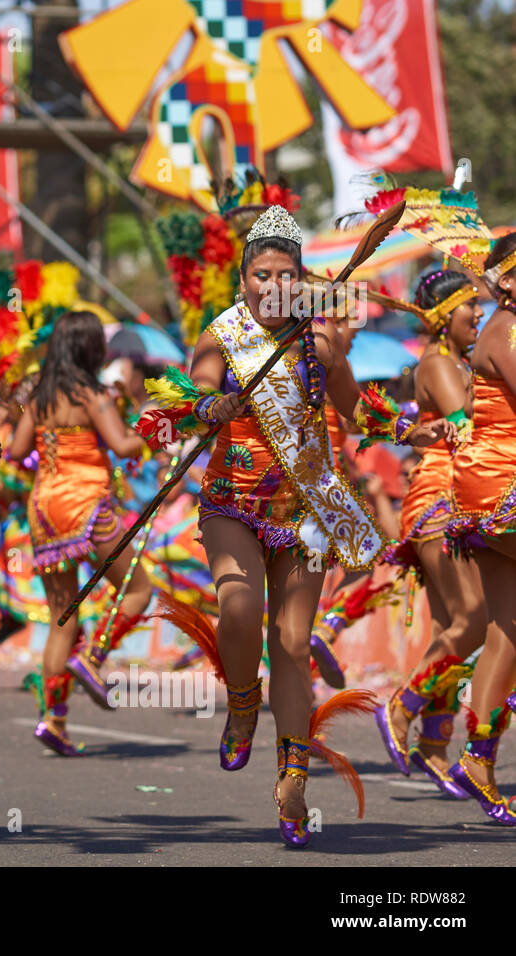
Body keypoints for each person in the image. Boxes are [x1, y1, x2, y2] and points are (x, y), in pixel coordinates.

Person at [146, 205, 454, 847]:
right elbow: (187, 390)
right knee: (237, 606)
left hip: (306, 514)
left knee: (290, 643)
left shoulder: (318, 345)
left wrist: (409, 430)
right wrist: (210, 402)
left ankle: (293, 778)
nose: (272, 287)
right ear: (244, 281)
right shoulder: (223, 337)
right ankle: (239, 702)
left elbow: (360, 410)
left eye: (285, 276)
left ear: (299, 283)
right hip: (233, 502)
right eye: (261, 275)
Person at [6, 310, 154, 753]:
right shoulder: (94, 393)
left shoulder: (39, 396)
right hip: (86, 503)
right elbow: (124, 444)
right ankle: (93, 658)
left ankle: (54, 719)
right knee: (137, 589)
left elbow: (15, 451)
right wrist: (158, 426)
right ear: (91, 349)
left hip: (45, 508)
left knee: (61, 619)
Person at [373, 270, 486, 797]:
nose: (479, 315)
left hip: (453, 497)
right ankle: (402, 706)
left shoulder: (457, 361)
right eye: (471, 308)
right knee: (473, 620)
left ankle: (437, 747)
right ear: (444, 316)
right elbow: (465, 429)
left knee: (452, 627)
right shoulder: (440, 363)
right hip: (441, 498)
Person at [445, 233, 516, 824]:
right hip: (502, 483)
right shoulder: (509, 329)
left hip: (482, 485)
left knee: (507, 628)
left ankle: (478, 756)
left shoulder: (498, 326)